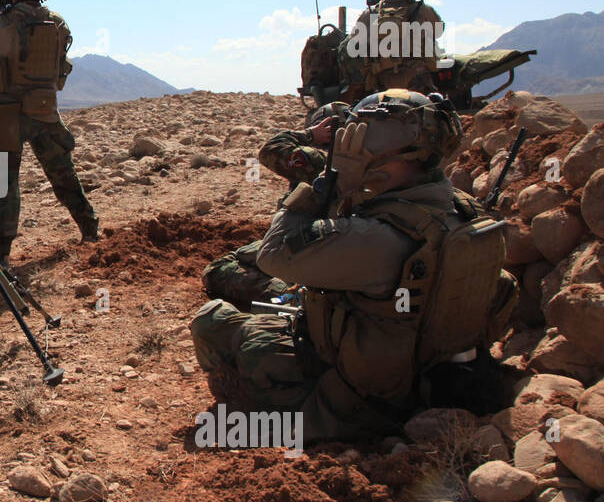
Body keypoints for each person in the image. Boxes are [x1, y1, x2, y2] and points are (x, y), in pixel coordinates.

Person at [191, 90, 515, 441]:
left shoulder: (383, 234)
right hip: (430, 377)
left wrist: (329, 181)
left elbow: (275, 254)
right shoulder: (464, 212)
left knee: (214, 321)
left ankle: (254, 410)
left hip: (358, 406)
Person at [0, 0, 99, 263]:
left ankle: (0, 252)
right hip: (44, 111)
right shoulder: (58, 23)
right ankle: (90, 228)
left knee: (6, 183)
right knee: (63, 173)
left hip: (7, 115)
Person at [201, 101, 350, 308]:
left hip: (305, 243)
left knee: (219, 269)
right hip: (347, 249)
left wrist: (310, 135)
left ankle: (291, 296)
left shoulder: (316, 160)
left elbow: (271, 150)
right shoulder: (370, 169)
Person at [343, 0, 445, 101]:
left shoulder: (372, 12)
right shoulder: (424, 10)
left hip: (381, 82)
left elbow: (354, 41)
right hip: (416, 80)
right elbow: (439, 31)